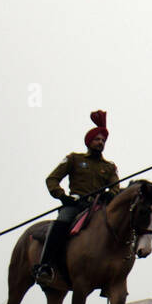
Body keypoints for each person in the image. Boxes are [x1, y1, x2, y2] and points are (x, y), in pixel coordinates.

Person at [35, 111, 120, 287]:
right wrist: (63, 197)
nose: (101, 143)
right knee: (62, 222)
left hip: (97, 207)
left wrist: (110, 194)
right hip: (75, 204)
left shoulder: (110, 167)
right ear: (89, 142)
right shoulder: (74, 159)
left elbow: (115, 187)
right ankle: (45, 266)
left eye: (103, 140)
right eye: (97, 139)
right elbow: (52, 179)